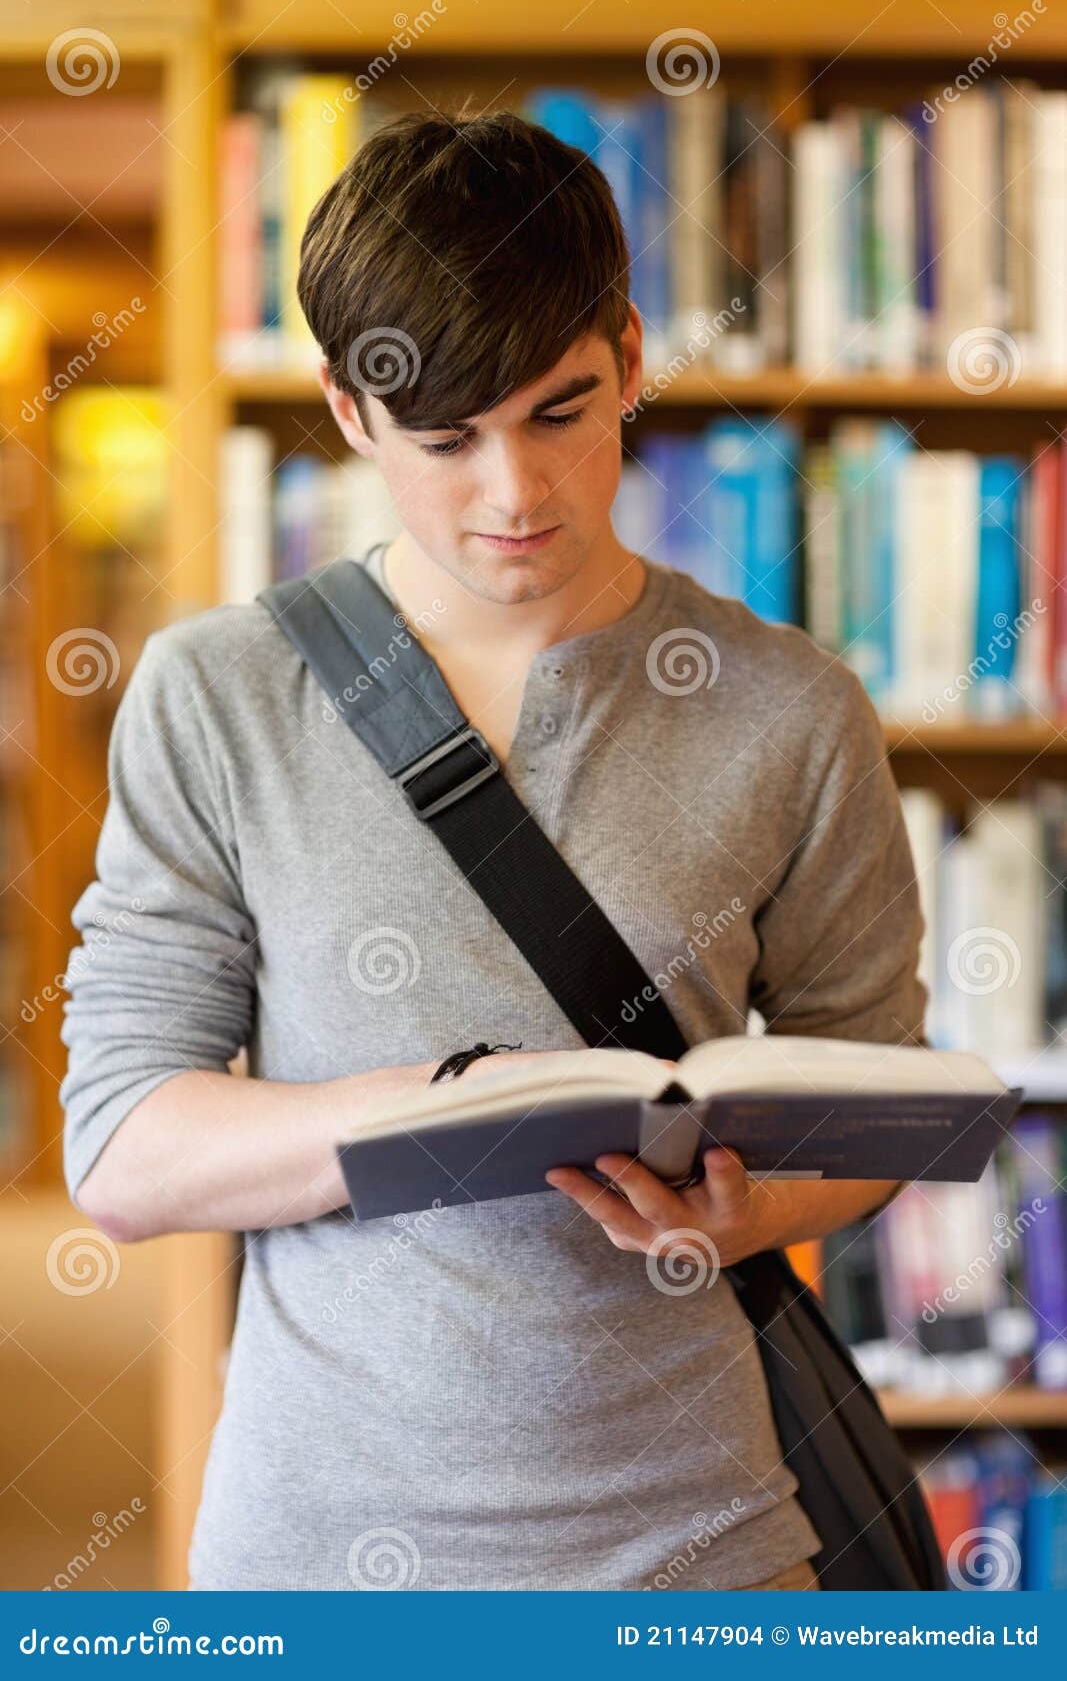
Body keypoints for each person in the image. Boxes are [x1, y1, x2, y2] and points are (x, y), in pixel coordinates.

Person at [60, 108, 925, 1592]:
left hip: (703, 1553)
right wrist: (434, 1108)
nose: (514, 493)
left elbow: (882, 1096)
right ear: (346, 411)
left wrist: (756, 1208)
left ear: (634, 358)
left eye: (561, 412)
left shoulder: (795, 707)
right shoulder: (217, 691)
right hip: (319, 1559)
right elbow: (125, 1149)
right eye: (446, 440)